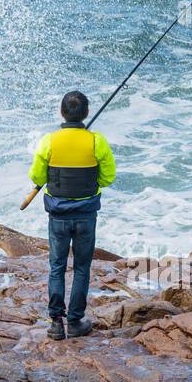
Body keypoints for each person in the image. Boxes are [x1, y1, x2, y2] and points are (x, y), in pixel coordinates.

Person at [28, 91, 116, 340]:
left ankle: (56, 323)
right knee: (81, 268)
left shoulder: (49, 142)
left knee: (57, 267)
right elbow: (108, 178)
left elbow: (37, 177)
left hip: (58, 215)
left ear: (62, 112)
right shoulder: (96, 141)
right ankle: (75, 321)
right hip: (86, 214)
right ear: (86, 113)